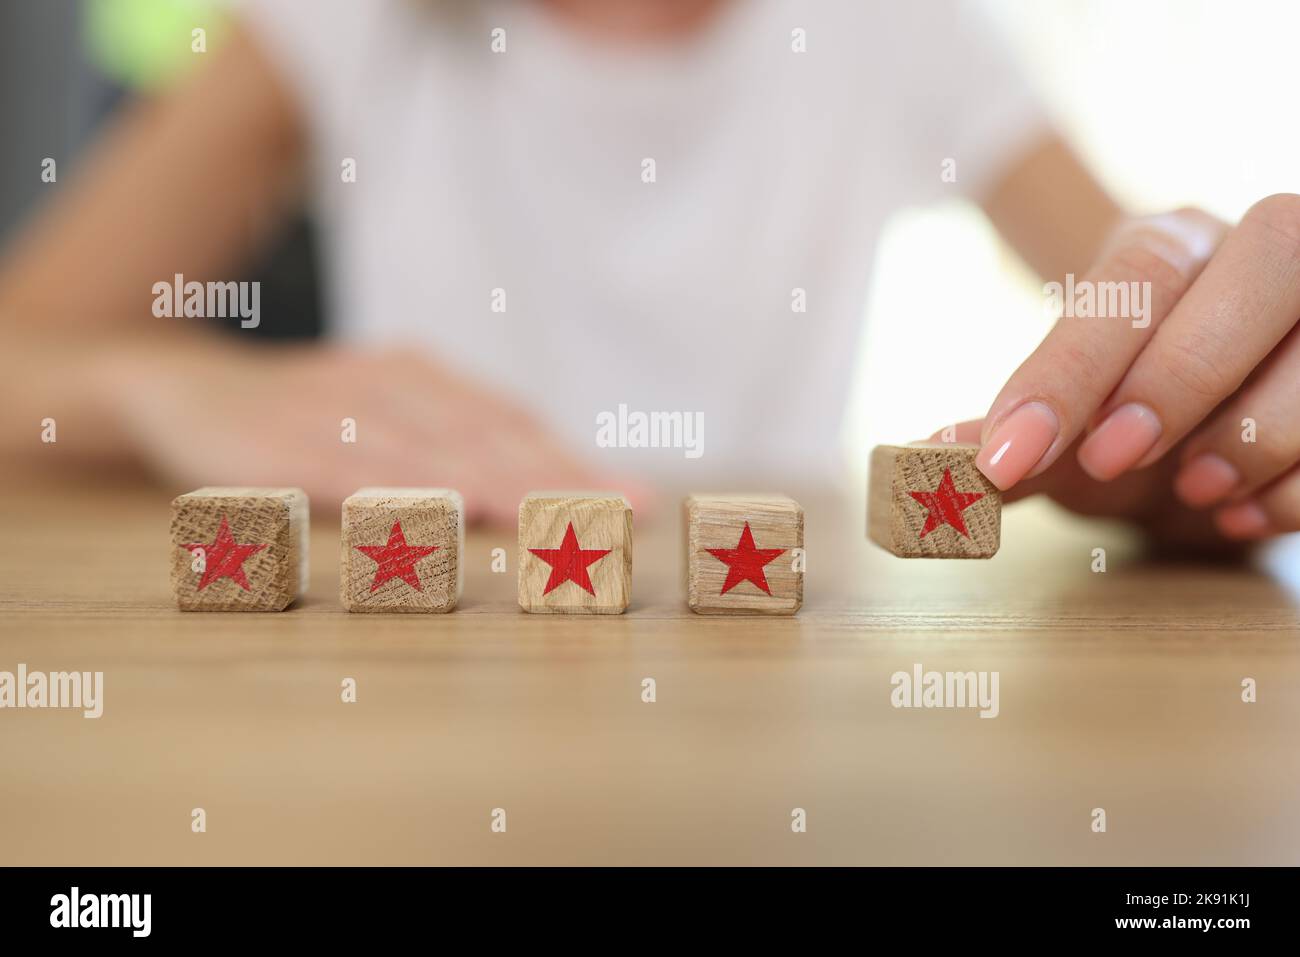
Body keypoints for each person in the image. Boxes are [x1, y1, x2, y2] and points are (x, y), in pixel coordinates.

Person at [0, 0, 1296, 544]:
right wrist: (163, 386)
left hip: (759, 712)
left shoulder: (892, 26)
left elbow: (1144, 316)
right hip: (414, 689)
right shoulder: (339, 23)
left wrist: (1199, 362)